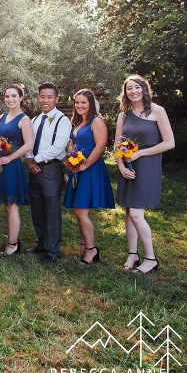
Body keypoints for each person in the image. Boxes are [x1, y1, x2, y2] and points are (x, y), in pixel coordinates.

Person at [115, 75, 174, 274]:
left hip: (147, 164)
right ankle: (133, 254)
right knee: (128, 212)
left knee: (136, 214)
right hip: (128, 166)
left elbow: (169, 143)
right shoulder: (124, 114)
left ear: (144, 89)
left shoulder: (157, 111)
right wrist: (121, 166)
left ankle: (151, 259)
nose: (133, 91)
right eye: (129, 88)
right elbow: (117, 145)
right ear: (125, 93)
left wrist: (141, 152)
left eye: (136, 87)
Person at [62, 89, 115, 264]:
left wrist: (84, 165)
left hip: (90, 169)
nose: (79, 105)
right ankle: (84, 246)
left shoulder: (96, 121)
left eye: (83, 102)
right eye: (77, 102)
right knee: (80, 210)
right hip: (78, 168)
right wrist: (72, 159)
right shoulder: (78, 122)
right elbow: (74, 144)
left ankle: (92, 250)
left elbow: (100, 146)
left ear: (91, 104)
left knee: (81, 210)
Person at [25, 82, 72, 264]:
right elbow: (29, 143)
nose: (45, 100)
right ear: (38, 98)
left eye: (49, 97)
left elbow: (58, 147)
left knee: (51, 209)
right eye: (42, 97)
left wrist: (36, 159)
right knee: (37, 207)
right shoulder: (35, 120)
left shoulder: (62, 120)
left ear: (57, 99)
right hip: (34, 168)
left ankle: (53, 250)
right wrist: (29, 160)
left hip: (51, 168)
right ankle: (42, 243)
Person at [0, 84, 33, 256]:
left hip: (12, 165)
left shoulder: (24, 119)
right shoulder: (0, 117)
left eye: (14, 96)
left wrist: (9, 157)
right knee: (7, 205)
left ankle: (13, 244)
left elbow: (29, 144)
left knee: (12, 204)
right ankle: (12, 241)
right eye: (7, 96)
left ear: (21, 98)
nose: (10, 99)